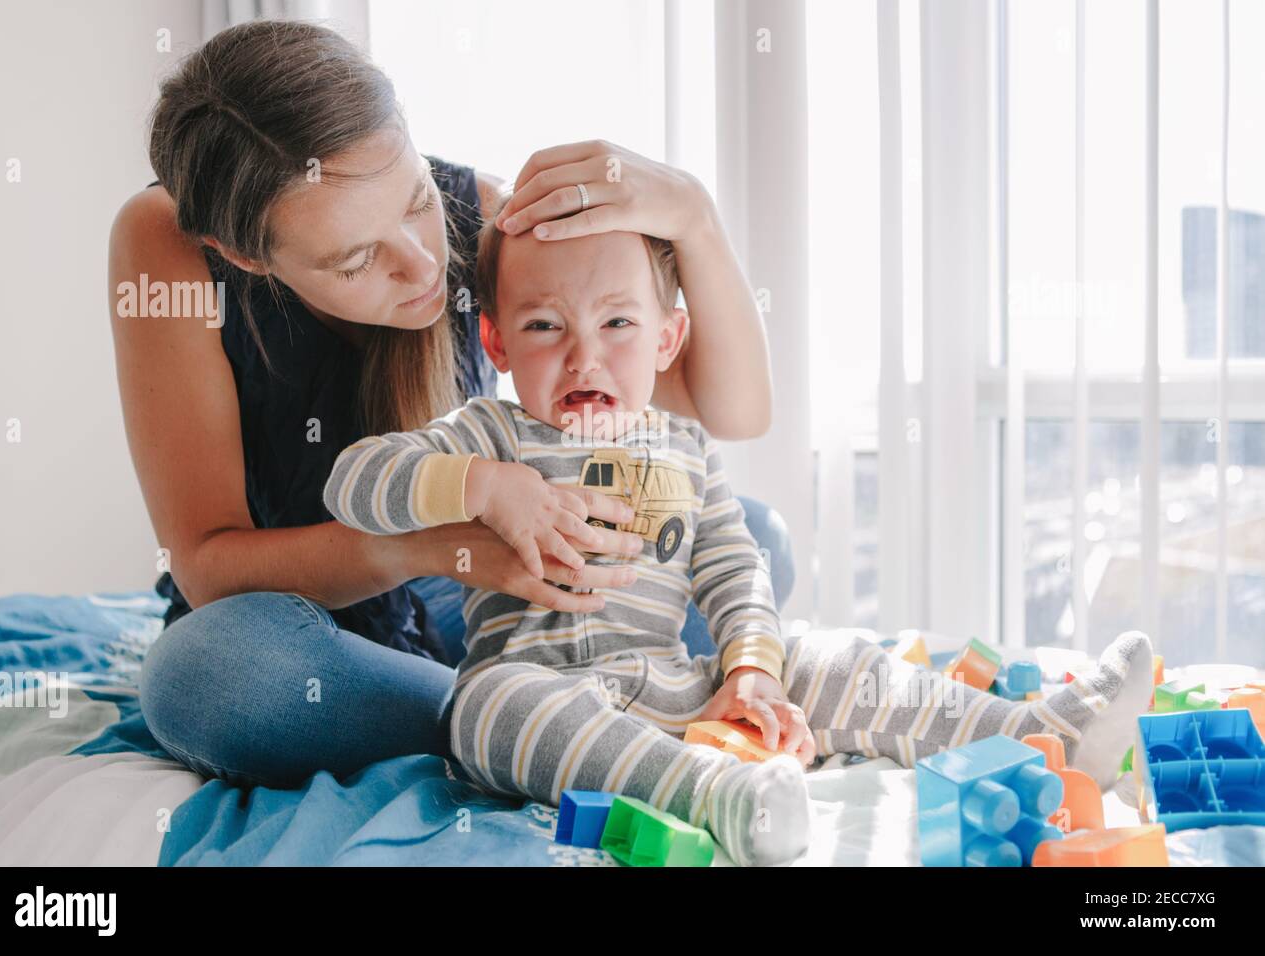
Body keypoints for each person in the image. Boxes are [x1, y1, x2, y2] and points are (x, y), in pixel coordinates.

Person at [322, 211, 1156, 865]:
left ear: (667, 338)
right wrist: (480, 486)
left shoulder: (683, 445)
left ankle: (1042, 731)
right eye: (544, 327)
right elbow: (352, 484)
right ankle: (713, 795)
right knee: (483, 705)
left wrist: (753, 673)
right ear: (497, 342)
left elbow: (733, 567)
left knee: (826, 656)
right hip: (544, 694)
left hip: (674, 688)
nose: (584, 358)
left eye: (617, 324)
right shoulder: (488, 432)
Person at [109, 19, 786, 789]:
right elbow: (204, 564)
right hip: (304, 618)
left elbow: (730, 411)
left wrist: (694, 216)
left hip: (462, 606)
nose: (424, 262)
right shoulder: (166, 243)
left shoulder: (491, 215)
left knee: (756, 540)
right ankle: (514, 717)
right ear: (244, 256)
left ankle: (538, 719)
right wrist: (437, 542)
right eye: (359, 259)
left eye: (415, 198)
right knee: (208, 677)